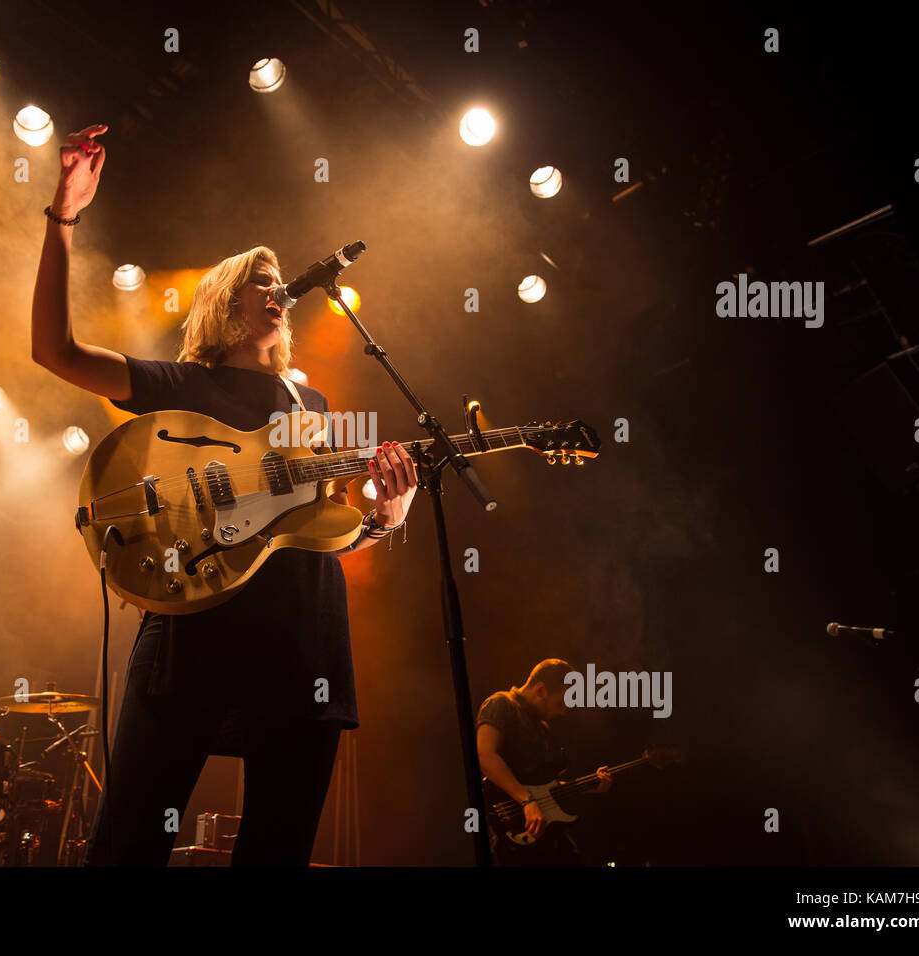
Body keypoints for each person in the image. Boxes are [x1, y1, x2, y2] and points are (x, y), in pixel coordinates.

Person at [32, 124, 417, 865]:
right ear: (223, 300)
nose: (278, 293)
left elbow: (314, 535)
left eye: (281, 285)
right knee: (129, 845)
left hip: (301, 644)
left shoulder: (313, 405)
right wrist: (64, 217)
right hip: (193, 637)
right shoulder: (186, 385)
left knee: (278, 852)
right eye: (261, 281)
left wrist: (382, 520)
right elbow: (55, 351)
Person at [476, 658, 612, 865]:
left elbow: (545, 788)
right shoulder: (501, 704)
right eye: (560, 702)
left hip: (546, 835)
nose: (563, 711)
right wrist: (526, 801)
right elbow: (485, 755)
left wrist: (589, 786)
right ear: (540, 690)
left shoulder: (542, 727)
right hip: (512, 830)